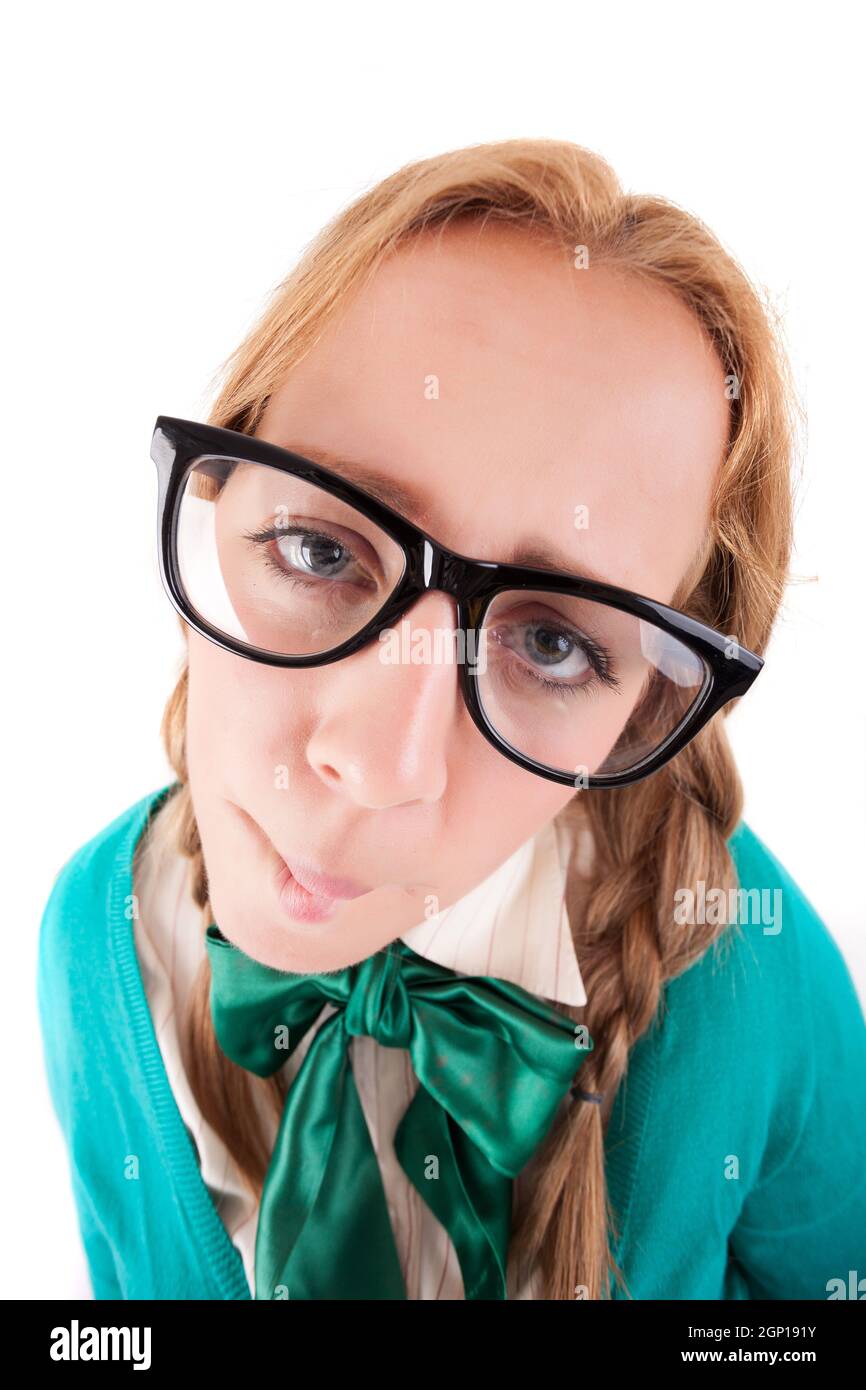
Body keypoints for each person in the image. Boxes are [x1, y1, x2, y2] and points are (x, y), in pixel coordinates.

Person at [37, 137, 866, 1300]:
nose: (379, 764)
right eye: (319, 548)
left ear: (646, 714)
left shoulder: (744, 977)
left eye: (552, 643)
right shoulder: (92, 940)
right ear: (218, 501)